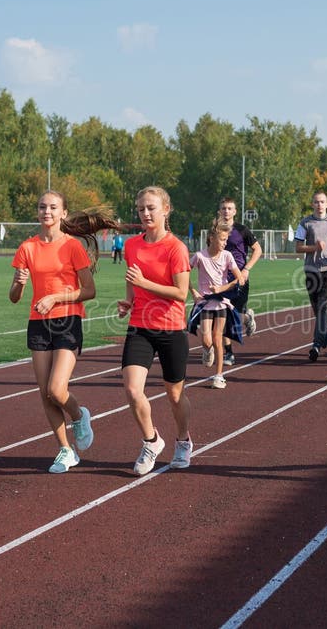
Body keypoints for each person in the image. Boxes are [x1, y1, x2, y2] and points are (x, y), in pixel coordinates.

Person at [9, 190, 121, 473]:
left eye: (52, 207)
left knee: (57, 389)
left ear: (63, 213)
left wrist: (57, 298)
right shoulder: (27, 248)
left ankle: (79, 414)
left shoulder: (72, 247)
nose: (46, 211)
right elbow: (13, 296)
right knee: (44, 393)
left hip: (67, 320)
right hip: (38, 322)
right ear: (37, 212)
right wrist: (20, 284)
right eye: (42, 206)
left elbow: (90, 290)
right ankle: (65, 450)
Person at [118, 186, 194, 475]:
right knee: (132, 389)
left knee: (174, 395)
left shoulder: (176, 248)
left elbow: (181, 293)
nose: (146, 213)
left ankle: (184, 440)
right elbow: (132, 281)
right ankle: (151, 441)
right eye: (141, 209)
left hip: (171, 328)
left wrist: (145, 284)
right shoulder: (132, 246)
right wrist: (129, 301)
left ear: (166, 210)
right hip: (140, 325)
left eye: (151, 208)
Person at [189, 219, 243, 389]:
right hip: (205, 303)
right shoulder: (199, 256)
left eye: (226, 240)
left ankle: (219, 376)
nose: (224, 243)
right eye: (222, 239)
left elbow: (239, 279)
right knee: (206, 339)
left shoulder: (227, 256)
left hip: (221, 303)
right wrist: (194, 292)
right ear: (211, 238)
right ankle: (207, 349)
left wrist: (221, 288)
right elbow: (182, 273)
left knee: (217, 338)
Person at [294, 191, 327, 362]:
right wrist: (314, 248)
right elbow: (298, 248)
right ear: (312, 204)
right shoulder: (305, 223)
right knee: (317, 308)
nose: (319, 205)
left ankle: (316, 345)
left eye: (322, 202)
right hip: (311, 270)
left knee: (323, 304)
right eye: (316, 202)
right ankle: (326, 326)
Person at [217, 197, 263, 365]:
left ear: (235, 211)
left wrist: (246, 269)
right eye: (224, 208)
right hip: (220, 279)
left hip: (239, 278)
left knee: (235, 317)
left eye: (230, 208)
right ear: (219, 211)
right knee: (222, 315)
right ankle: (228, 353)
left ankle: (247, 317)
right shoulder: (215, 230)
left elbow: (258, 249)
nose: (226, 211)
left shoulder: (242, 230)